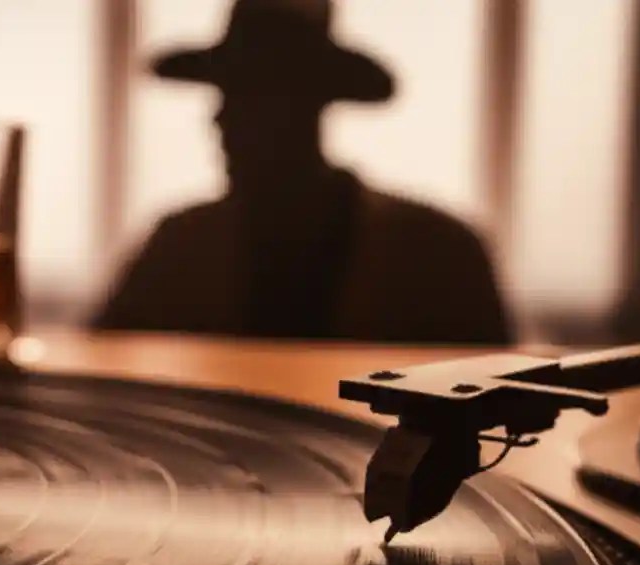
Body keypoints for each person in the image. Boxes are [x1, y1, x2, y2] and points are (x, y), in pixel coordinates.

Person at [96, 0, 511, 344]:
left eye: (254, 94)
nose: (222, 118)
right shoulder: (178, 246)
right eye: (227, 92)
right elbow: (103, 379)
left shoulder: (438, 254)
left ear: (308, 105)